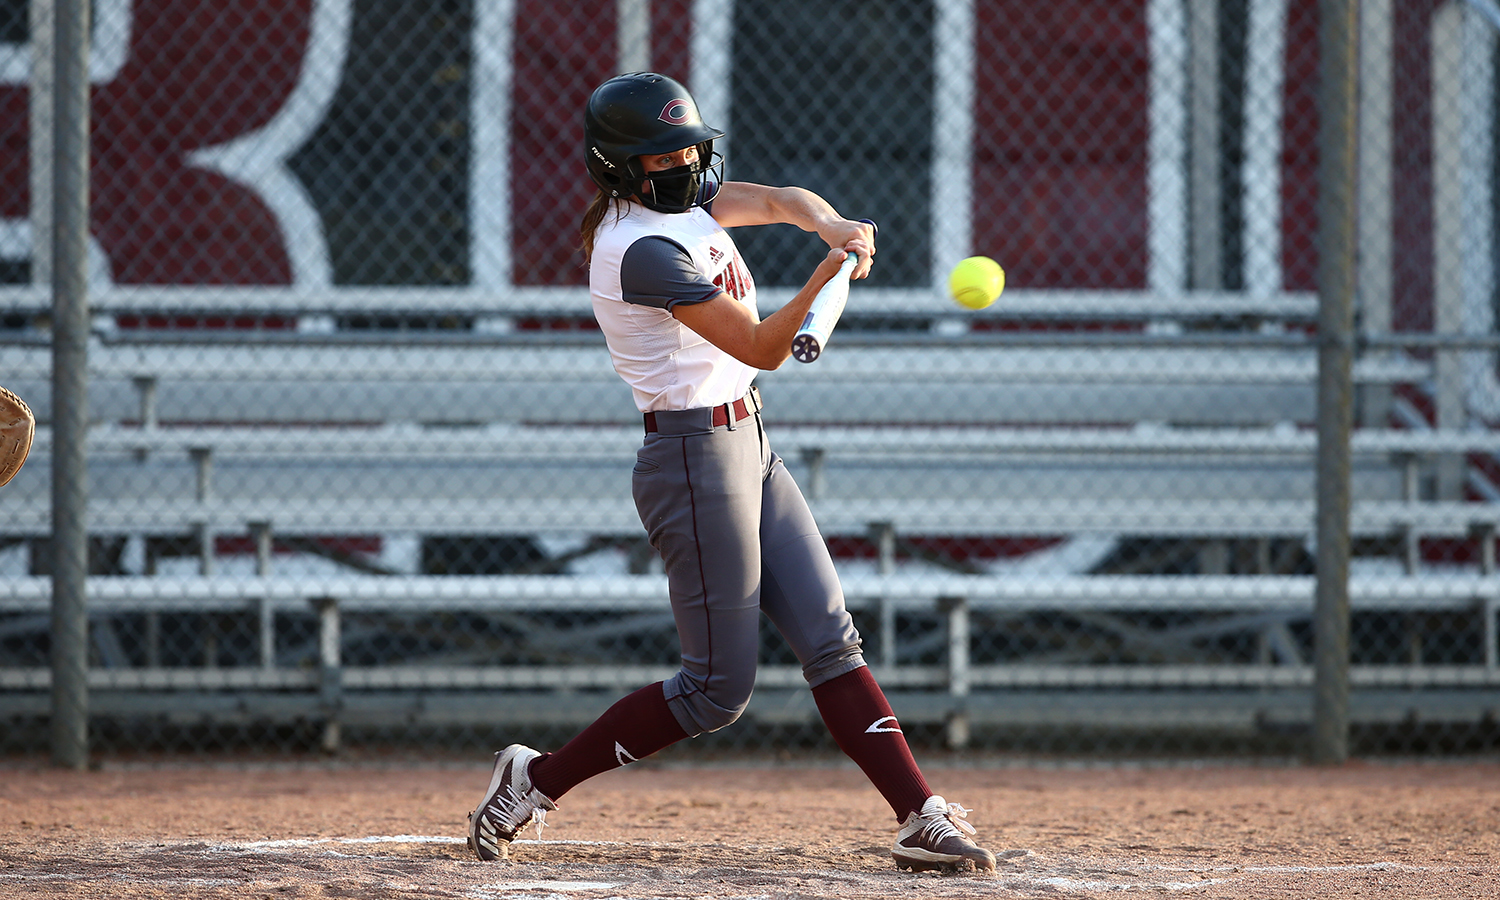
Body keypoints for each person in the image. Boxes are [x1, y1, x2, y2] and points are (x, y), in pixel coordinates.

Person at [467, 72, 998, 874]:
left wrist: (832, 226)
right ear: (620, 168)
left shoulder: (687, 207)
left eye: (688, 147)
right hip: (690, 460)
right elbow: (759, 348)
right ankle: (532, 781)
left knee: (830, 638)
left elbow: (785, 200)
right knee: (716, 691)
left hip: (749, 441)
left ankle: (919, 814)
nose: (683, 163)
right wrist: (823, 278)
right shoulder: (639, 249)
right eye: (662, 156)